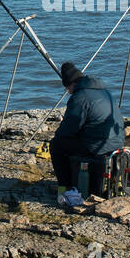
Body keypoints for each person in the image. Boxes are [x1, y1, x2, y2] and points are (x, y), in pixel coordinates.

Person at [49, 61, 123, 205]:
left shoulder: (79, 97)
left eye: (67, 88)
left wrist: (60, 135)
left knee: (57, 145)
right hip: (117, 142)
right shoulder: (104, 91)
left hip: (98, 146)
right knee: (71, 143)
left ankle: (66, 188)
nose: (68, 92)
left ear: (71, 84)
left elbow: (68, 130)